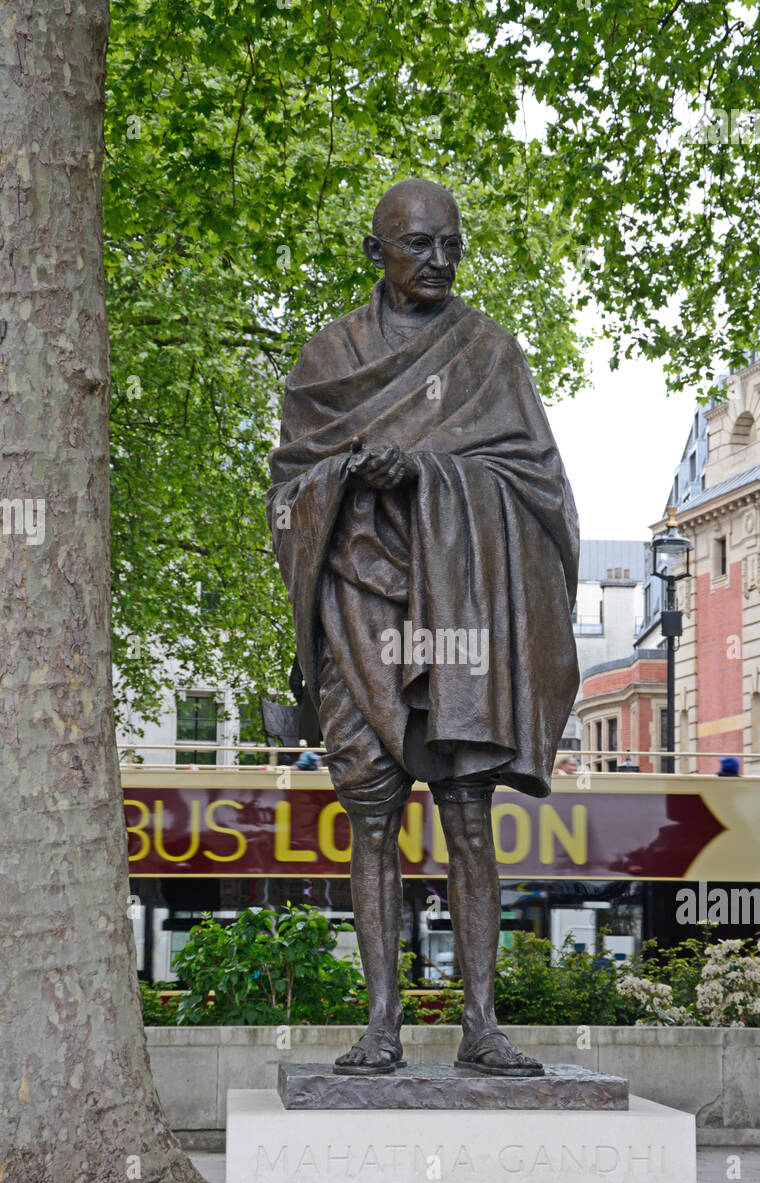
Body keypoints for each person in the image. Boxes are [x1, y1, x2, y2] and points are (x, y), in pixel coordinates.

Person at [267, 178, 579, 1075]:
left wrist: (430, 475)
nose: (438, 261)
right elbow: (287, 495)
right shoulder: (328, 361)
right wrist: (348, 481)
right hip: (360, 610)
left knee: (468, 815)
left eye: (451, 244)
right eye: (418, 245)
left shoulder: (489, 352)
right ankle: (380, 1026)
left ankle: (481, 1025)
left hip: (457, 616)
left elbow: (538, 488)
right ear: (376, 253)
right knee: (371, 821)